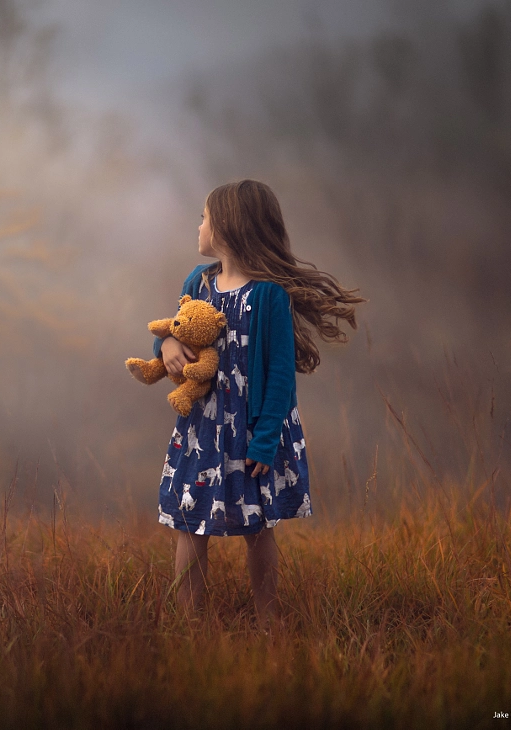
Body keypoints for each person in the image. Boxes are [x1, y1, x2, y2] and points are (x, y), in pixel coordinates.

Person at [153, 179, 365, 624]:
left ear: (228, 227)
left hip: (251, 434)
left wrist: (266, 440)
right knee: (189, 527)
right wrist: (166, 346)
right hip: (202, 433)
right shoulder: (199, 281)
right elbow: (180, 328)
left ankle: (269, 621)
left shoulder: (268, 295)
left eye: (205, 217)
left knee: (258, 528)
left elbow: (281, 376)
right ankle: (188, 626)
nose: (199, 226)